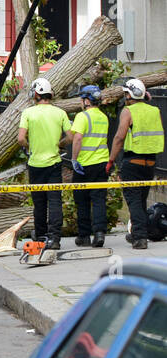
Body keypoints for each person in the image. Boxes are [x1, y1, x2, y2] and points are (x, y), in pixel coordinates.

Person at [108, 77, 164, 250]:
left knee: (134, 201)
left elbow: (119, 137)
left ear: (130, 94)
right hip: (150, 163)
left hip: (132, 162)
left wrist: (111, 160)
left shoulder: (128, 111)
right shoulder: (154, 110)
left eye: (126, 93)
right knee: (141, 199)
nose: (125, 97)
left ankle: (140, 237)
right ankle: (137, 233)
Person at [18, 77, 72, 252]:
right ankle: (55, 238)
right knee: (55, 202)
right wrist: (60, 144)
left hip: (35, 165)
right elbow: (70, 137)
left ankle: (41, 237)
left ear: (36, 94)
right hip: (54, 163)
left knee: (39, 203)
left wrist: (29, 147)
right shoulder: (60, 113)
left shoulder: (28, 113)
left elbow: (20, 139)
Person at [69, 85, 110, 248]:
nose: (80, 102)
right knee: (99, 199)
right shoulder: (103, 117)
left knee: (82, 201)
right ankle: (99, 233)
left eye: (81, 99)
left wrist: (74, 159)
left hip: (84, 165)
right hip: (101, 163)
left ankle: (84, 236)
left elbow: (77, 139)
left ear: (87, 100)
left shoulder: (82, 116)